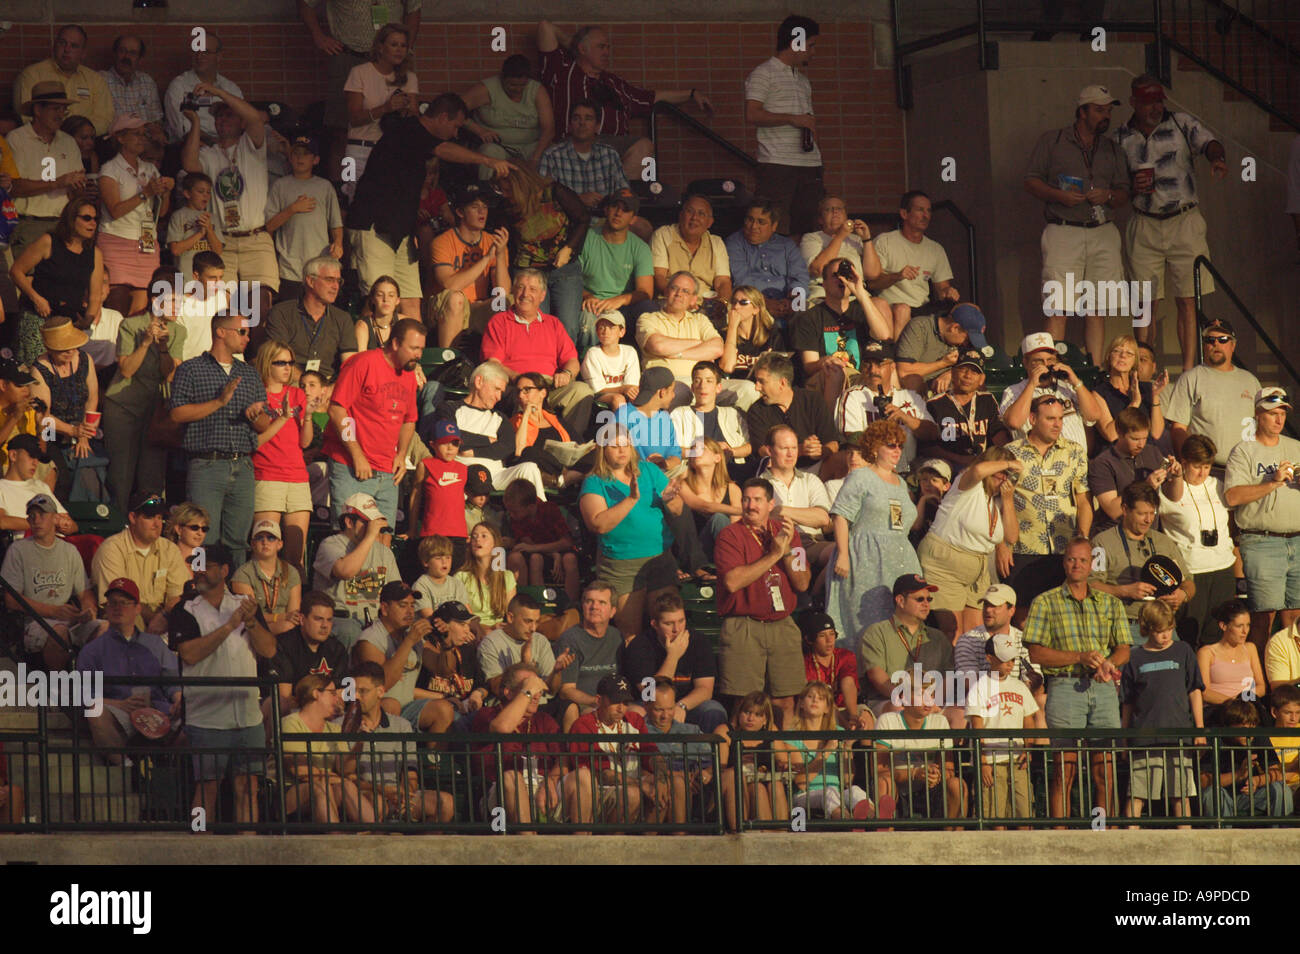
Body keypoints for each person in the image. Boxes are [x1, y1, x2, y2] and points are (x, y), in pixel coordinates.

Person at [345, 93, 509, 317]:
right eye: (455, 126)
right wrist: (488, 160)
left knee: (412, 301)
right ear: (442, 117)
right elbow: (443, 150)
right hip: (374, 226)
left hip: (400, 231)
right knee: (379, 300)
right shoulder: (408, 130)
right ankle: (366, 349)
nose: (456, 133)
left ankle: (415, 351)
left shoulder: (417, 137)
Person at [1114, 75, 1228, 370]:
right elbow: (1114, 183)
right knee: (1145, 303)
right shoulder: (1122, 136)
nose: (1155, 107)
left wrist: (1217, 159)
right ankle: (1143, 368)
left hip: (1183, 218)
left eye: (1158, 101)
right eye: (1148, 102)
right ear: (1133, 103)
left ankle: (1189, 369)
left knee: (1188, 299)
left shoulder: (1180, 122)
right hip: (1144, 221)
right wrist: (1131, 186)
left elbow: (1210, 143)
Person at [1023, 537, 1132, 822]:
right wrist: (1079, 657)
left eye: (1083, 560)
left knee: (1104, 769)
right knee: (1064, 769)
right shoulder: (1045, 602)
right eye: (1072, 559)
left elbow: (1123, 648)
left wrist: (1109, 664)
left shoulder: (1110, 603)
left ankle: (1102, 835)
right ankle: (1062, 838)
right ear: (1064, 562)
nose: (1077, 565)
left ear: (1091, 564)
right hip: (1064, 686)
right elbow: (1035, 652)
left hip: (1103, 687)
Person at [1024, 84, 1131, 365]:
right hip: (1063, 228)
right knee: (1058, 305)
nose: (1105, 115)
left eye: (1108, 110)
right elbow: (1031, 180)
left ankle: (1094, 369)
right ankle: (1051, 369)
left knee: (1096, 307)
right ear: (1081, 112)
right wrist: (1058, 196)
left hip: (1103, 230)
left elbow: (1124, 193)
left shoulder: (1112, 149)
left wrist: (1107, 195)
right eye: (1098, 110)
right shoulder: (1053, 141)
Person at [171, 543, 277, 828]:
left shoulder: (245, 604)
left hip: (247, 714)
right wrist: (230, 626)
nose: (199, 570)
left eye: (205, 564)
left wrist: (252, 622)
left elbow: (268, 651)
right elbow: (190, 653)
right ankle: (199, 852)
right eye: (196, 564)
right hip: (206, 717)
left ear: (224, 570)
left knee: (248, 788)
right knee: (207, 788)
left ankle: (248, 853)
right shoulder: (185, 609)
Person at [538, 21, 710, 181]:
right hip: (576, 142)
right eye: (601, 47)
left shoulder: (615, 83)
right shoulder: (563, 70)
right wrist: (573, 45)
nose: (606, 52)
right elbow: (545, 27)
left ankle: (617, 202)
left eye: (608, 47)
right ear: (583, 49)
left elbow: (653, 97)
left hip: (613, 147)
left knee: (644, 146)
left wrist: (691, 93)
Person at [169, 311, 268, 566]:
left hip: (243, 464)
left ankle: (234, 592)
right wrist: (219, 402)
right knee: (202, 537)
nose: (248, 338)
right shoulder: (191, 369)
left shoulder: (250, 373)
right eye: (242, 332)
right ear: (221, 332)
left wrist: (254, 416)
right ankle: (198, 593)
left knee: (238, 541)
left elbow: (264, 424)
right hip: (207, 464)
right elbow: (177, 413)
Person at [713, 477, 810, 723]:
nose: (750, 505)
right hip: (743, 624)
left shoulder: (790, 534)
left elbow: (802, 582)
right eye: (746, 499)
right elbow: (733, 582)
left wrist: (786, 550)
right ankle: (740, 757)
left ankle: (785, 758)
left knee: (786, 700)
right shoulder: (729, 536)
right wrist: (774, 554)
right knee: (745, 702)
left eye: (757, 500)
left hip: (782, 623)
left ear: (770, 504)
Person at [179, 85, 279, 316]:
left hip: (256, 238)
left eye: (228, 114)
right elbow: (189, 164)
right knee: (223, 310)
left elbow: (254, 117)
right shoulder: (210, 154)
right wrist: (195, 122)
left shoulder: (250, 145)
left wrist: (216, 91)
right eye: (218, 116)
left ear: (240, 121)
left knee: (260, 307)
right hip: (221, 241)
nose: (222, 120)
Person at [826, 420, 922, 651]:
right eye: (891, 445)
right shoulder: (861, 477)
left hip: (899, 562)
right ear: (875, 447)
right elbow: (840, 516)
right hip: (866, 560)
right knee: (865, 626)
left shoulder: (900, 482)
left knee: (899, 628)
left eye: (900, 446)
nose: (897, 451)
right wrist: (842, 555)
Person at [579, 425, 682, 636]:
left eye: (626, 444)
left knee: (668, 629)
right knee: (630, 633)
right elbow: (598, 524)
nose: (622, 450)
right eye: (615, 446)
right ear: (603, 450)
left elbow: (678, 510)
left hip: (660, 560)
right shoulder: (595, 481)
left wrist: (671, 501)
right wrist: (631, 499)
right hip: (622, 566)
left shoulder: (650, 471)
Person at [321, 317, 423, 528]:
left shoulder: (409, 374)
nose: (418, 354)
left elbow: (409, 420)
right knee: (347, 539)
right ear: (395, 343)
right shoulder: (363, 363)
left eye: (421, 349)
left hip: (388, 472)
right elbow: (338, 409)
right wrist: (356, 454)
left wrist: (401, 455)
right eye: (413, 348)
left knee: (383, 541)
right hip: (351, 467)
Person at [1225, 387, 1300, 651]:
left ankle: (1289, 681)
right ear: (1258, 414)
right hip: (1262, 542)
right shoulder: (1244, 451)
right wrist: (1273, 482)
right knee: (1264, 617)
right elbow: (1232, 497)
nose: (1279, 420)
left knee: (1295, 617)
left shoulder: (1296, 447)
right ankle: (1261, 685)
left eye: (1282, 413)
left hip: (1297, 541)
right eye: (1272, 414)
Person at [481, 268, 596, 440]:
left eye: (532, 289)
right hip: (515, 384)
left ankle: (569, 444)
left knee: (582, 391)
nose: (525, 294)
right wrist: (521, 379)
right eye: (520, 287)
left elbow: (572, 360)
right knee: (525, 393)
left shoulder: (553, 323)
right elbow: (493, 364)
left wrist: (566, 373)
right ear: (513, 291)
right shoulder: (500, 322)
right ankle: (524, 446)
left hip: (549, 384)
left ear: (542, 296)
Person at [75, 577, 179, 765]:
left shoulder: (155, 644)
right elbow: (84, 695)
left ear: (137, 608)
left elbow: (172, 681)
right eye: (113, 603)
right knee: (94, 711)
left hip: (157, 709)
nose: (118, 607)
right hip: (118, 712)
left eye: (124, 603)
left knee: (194, 718)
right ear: (106, 609)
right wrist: (120, 704)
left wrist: (178, 700)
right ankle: (127, 768)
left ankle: (175, 772)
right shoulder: (93, 650)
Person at [1004, 395, 1093, 614]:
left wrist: (1083, 537)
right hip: (1023, 548)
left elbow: (1083, 500)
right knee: (1023, 616)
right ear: (1032, 419)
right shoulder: (1010, 453)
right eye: (1050, 418)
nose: (1057, 424)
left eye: (1060, 419)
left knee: (1061, 615)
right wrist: (1001, 545)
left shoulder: (1075, 452)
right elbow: (997, 502)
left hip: (1063, 550)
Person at [918, 447, 1021, 636]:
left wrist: (1008, 500)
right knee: (953, 632)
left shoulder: (995, 499)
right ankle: (949, 666)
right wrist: (1010, 464)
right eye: (1001, 473)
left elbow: (1012, 536)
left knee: (975, 635)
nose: (1004, 478)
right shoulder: (967, 484)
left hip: (978, 569)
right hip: (945, 563)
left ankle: (971, 666)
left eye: (1009, 475)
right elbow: (977, 471)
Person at [101, 277, 183, 514]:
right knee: (121, 474)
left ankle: (151, 525)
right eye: (173, 301)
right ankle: (117, 526)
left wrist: (164, 347)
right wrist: (146, 343)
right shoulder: (130, 325)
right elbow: (126, 370)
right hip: (124, 407)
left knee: (153, 476)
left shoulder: (178, 330)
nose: (178, 307)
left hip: (156, 409)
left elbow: (170, 374)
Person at [1121, 601, 1205, 825]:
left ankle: (1185, 839)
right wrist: (1124, 736)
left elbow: (1194, 691)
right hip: (1144, 737)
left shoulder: (1183, 650)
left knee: (1182, 792)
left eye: (1169, 629)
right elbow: (1127, 702)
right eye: (1159, 631)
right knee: (1137, 793)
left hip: (1178, 735)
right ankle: (1128, 839)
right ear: (1147, 628)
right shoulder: (1134, 656)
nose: (1165, 635)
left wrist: (1199, 730)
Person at [744, 16, 824, 236]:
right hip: (778, 162)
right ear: (796, 41)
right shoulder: (764, 73)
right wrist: (793, 119)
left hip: (809, 162)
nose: (813, 52)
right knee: (774, 224)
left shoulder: (803, 80)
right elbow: (752, 113)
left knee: (809, 226)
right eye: (811, 45)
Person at [495, 160, 590, 347]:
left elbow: (583, 218)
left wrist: (569, 248)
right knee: (537, 324)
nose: (505, 195)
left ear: (521, 186)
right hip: (529, 272)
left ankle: (565, 371)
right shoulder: (505, 206)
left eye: (508, 190)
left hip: (564, 269)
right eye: (502, 190)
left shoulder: (554, 192)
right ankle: (540, 370)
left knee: (567, 326)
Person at [1, 494, 97, 671]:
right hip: (35, 622)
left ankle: (100, 690)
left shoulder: (70, 551)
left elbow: (85, 592)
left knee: (104, 628)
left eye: (42, 515)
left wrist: (88, 611)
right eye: (32, 516)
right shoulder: (18, 550)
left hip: (68, 617)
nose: (36, 520)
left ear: (55, 518)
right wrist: (54, 611)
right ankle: (57, 690)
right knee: (59, 632)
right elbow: (11, 600)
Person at [1160, 435, 1241, 646]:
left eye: (1207, 466)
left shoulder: (1218, 485)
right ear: (1184, 462)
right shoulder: (1171, 489)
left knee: (1217, 633)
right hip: (1192, 570)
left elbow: (1230, 524)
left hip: (1222, 568)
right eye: (1197, 466)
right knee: (1190, 634)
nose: (1202, 472)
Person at [9, 196, 103, 367]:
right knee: (37, 371)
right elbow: (16, 271)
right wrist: (36, 298)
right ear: (71, 218)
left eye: (95, 219)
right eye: (87, 218)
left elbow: (95, 296)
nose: (93, 223)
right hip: (39, 319)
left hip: (68, 325)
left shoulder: (94, 253)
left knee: (63, 375)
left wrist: (87, 320)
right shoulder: (49, 242)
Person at [96, 114, 172, 318]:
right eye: (136, 134)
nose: (142, 139)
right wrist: (145, 193)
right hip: (116, 240)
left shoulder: (150, 168)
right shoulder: (110, 169)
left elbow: (161, 213)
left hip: (146, 242)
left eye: (143, 134)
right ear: (121, 138)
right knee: (116, 302)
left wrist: (166, 192)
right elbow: (115, 210)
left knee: (142, 306)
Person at [472, 662, 567, 826]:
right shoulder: (488, 715)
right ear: (508, 693)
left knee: (579, 778)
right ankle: (527, 840)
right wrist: (527, 691)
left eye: (537, 689)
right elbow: (502, 727)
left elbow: (564, 760)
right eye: (528, 688)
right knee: (512, 777)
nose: (536, 695)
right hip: (500, 796)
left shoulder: (544, 720)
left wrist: (550, 781)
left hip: (543, 789)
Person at [247, 339, 314, 570]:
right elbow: (254, 443)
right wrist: (283, 418)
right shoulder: (255, 395)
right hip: (267, 476)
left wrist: (307, 417)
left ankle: (295, 602)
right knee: (265, 553)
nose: (288, 367)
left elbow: (305, 442)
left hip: (297, 478)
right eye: (281, 362)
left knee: (296, 557)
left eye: (290, 362)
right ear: (267, 364)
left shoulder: (297, 394)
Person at [441, 359, 548, 500]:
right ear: (479, 382)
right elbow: (452, 438)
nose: (499, 397)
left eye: (501, 392)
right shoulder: (450, 409)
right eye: (496, 389)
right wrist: (487, 440)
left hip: (497, 475)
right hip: (463, 473)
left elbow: (507, 447)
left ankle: (543, 514)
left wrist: (473, 451)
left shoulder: (500, 418)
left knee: (529, 468)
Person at [622, 591, 727, 733]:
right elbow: (649, 694)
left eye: (681, 621)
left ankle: (705, 754)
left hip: (686, 703)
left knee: (713, 710)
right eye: (669, 623)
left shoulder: (699, 641)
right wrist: (673, 656)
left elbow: (705, 690)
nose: (676, 629)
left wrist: (681, 706)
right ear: (655, 624)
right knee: (635, 712)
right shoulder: (640, 645)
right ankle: (653, 753)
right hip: (652, 707)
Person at [794, 258, 891, 408]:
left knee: (890, 369)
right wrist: (825, 361)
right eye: (835, 275)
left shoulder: (861, 311)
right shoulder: (811, 317)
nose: (841, 280)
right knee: (836, 371)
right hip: (825, 377)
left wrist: (859, 291)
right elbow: (809, 366)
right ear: (824, 284)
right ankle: (831, 428)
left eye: (845, 275)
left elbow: (883, 335)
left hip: (860, 376)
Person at [1164, 317, 1261, 468]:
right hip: (1208, 469)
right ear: (1204, 345)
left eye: (1223, 339)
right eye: (1210, 340)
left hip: (1246, 467)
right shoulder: (1190, 378)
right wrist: (1191, 463)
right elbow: (1178, 428)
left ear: (1233, 345)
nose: (1216, 344)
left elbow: (1264, 425)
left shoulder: (1251, 381)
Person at [965, 632, 1040, 827]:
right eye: (1005, 658)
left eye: (1012, 659)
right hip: (992, 761)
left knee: (1024, 812)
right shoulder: (979, 687)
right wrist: (982, 762)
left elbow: (1029, 720)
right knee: (994, 816)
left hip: (1017, 760)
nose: (1010, 663)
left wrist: (1028, 748)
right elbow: (977, 727)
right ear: (989, 658)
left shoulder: (1019, 686)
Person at [868, 191, 963, 339]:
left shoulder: (935, 249)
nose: (926, 215)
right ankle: (901, 358)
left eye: (929, 211)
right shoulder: (884, 241)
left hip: (922, 310)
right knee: (902, 309)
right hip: (890, 308)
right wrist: (898, 276)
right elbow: (872, 284)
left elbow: (942, 289)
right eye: (920, 210)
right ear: (904, 214)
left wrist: (949, 292)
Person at [6, 82, 86, 258]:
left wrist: (79, 187)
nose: (60, 114)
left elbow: (77, 192)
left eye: (63, 109)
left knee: (60, 282)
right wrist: (58, 182)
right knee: (28, 280)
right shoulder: (17, 139)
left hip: (62, 225)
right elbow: (14, 186)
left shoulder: (68, 142)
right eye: (55, 108)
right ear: (37, 110)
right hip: (29, 225)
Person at [311, 492, 400, 648]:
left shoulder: (384, 552)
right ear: (349, 522)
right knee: (351, 631)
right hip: (339, 621)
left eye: (375, 523)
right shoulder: (330, 545)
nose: (373, 529)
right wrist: (370, 537)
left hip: (373, 622)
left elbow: (396, 594)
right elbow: (346, 571)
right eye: (367, 522)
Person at [566, 674, 658, 826]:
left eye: (626, 702)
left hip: (632, 783)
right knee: (632, 794)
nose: (621, 708)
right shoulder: (583, 725)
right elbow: (603, 775)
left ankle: (655, 844)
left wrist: (662, 777)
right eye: (615, 702)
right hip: (601, 791)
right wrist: (640, 784)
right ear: (599, 700)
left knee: (671, 786)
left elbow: (652, 755)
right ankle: (612, 844)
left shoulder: (635, 720)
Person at [91, 490, 190, 631]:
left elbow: (177, 598)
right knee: (128, 615)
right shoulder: (112, 549)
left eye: (159, 517)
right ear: (132, 517)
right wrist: (157, 620)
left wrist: (163, 618)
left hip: (164, 621)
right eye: (149, 517)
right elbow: (119, 602)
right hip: (124, 622)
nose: (157, 524)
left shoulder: (169, 549)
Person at [340, 23, 419, 199]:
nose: (399, 50)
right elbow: (354, 118)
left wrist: (405, 110)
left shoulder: (410, 77)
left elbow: (415, 118)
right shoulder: (359, 72)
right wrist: (386, 108)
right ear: (380, 47)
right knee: (356, 201)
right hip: (359, 149)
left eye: (403, 45)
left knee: (388, 203)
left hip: (393, 149)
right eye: (394, 44)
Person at [834, 340, 936, 475]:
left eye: (879, 364)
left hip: (910, 468)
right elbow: (854, 440)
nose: (873, 370)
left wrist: (905, 417)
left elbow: (933, 434)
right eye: (867, 364)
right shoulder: (852, 396)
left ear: (892, 366)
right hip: (871, 469)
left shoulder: (910, 397)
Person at [428, 184, 512, 349]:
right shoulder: (442, 242)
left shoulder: (492, 241)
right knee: (456, 298)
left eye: (485, 207)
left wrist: (500, 254)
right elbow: (450, 286)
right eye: (475, 207)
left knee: (506, 302)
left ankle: (498, 361)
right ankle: (448, 364)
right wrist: (487, 257)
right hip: (443, 308)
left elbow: (502, 291)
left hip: (477, 307)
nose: (482, 212)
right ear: (460, 212)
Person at [952, 584, 1046, 729]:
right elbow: (968, 683)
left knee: (1041, 701)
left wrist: (1023, 689)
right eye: (986, 605)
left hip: (1017, 700)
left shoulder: (1023, 640)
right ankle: (978, 749)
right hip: (982, 702)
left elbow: (1034, 681)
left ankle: (1036, 751)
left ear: (1011, 610)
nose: (988, 610)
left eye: (995, 606)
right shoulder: (968, 639)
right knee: (960, 709)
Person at [775, 681, 871, 820]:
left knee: (856, 792)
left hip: (837, 794)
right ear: (801, 703)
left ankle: (877, 822)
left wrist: (847, 747)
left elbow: (847, 780)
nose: (815, 700)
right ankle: (850, 825)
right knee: (829, 793)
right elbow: (801, 783)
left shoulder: (838, 733)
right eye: (810, 696)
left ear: (827, 708)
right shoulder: (792, 737)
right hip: (804, 796)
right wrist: (825, 752)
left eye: (821, 698)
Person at [353, 582, 442, 731]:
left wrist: (445, 644)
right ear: (385, 609)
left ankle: (433, 755)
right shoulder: (370, 639)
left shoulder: (412, 635)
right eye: (403, 605)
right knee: (390, 705)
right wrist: (409, 642)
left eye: (412, 605)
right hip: (374, 709)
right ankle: (386, 754)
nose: (410, 612)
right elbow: (382, 684)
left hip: (408, 706)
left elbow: (440, 668)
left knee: (443, 710)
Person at [873, 676, 965, 821]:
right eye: (921, 695)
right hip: (898, 789)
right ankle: (885, 835)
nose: (928, 700)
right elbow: (879, 771)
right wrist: (914, 773)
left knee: (956, 784)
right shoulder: (887, 720)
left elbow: (949, 769)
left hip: (931, 790)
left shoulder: (940, 722)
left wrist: (936, 775)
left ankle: (953, 839)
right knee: (884, 782)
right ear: (903, 697)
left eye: (931, 695)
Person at [264, 137, 343, 303]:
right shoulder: (280, 185)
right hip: (289, 267)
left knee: (317, 312)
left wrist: (338, 243)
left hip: (319, 266)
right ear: (290, 158)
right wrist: (292, 209)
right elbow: (269, 226)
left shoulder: (325, 186)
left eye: (306, 154)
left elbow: (336, 224)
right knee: (290, 313)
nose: (300, 158)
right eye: (296, 154)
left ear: (315, 160)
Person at [1000, 333, 1108, 453]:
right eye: (1039, 361)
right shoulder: (1013, 391)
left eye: (1050, 360)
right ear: (1026, 362)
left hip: (1074, 464)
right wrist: (1031, 385)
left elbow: (1094, 416)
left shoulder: (1068, 387)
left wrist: (1075, 380)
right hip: (1036, 465)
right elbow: (1014, 423)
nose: (1046, 365)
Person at [635, 271, 726, 409]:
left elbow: (717, 348)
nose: (679, 293)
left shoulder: (700, 320)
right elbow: (658, 346)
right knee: (682, 392)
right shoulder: (648, 318)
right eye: (674, 288)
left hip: (704, 382)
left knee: (746, 390)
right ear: (666, 291)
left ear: (693, 299)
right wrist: (698, 343)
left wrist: (679, 354)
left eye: (685, 291)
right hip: (668, 383)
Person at [27, 318, 98, 492]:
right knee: (62, 479)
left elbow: (92, 398)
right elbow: (43, 417)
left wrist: (83, 435)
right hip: (51, 434)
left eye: (73, 347)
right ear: (50, 349)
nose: (70, 352)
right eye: (63, 350)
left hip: (82, 431)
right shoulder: (39, 370)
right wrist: (72, 431)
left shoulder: (84, 359)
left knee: (90, 470)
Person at [578, 188, 653, 348]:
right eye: (615, 206)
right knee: (587, 320)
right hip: (593, 304)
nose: (619, 213)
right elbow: (571, 280)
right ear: (606, 209)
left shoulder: (640, 248)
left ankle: (644, 364)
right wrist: (587, 296)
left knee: (649, 310)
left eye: (626, 210)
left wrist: (620, 300)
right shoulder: (586, 238)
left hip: (624, 306)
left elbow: (646, 292)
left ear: (633, 219)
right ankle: (588, 367)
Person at [263, 256, 356, 381]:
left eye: (338, 281)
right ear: (310, 281)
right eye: (329, 280)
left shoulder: (343, 318)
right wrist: (310, 385)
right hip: (291, 382)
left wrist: (330, 389)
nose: (335, 286)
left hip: (328, 386)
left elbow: (350, 366)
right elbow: (276, 359)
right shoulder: (282, 313)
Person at [1198, 697, 1294, 819]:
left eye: (1252, 725)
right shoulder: (1215, 738)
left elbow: (1276, 773)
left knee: (1281, 788)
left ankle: (1282, 835)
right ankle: (1223, 838)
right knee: (1211, 793)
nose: (1248, 733)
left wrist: (1256, 781)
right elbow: (1203, 781)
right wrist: (1238, 775)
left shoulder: (1257, 735)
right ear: (1229, 726)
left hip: (1251, 796)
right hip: (1224, 795)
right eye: (1243, 727)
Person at [746, 352, 841, 469]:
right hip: (777, 472)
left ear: (782, 383)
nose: (757, 387)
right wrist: (801, 449)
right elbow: (763, 451)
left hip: (816, 468)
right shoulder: (757, 411)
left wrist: (819, 451)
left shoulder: (812, 400)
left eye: (762, 382)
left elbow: (833, 443)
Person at [13, 25, 113, 135]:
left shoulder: (96, 80)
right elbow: (25, 116)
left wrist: (81, 133)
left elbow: (104, 119)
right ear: (54, 45)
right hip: (42, 141)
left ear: (83, 53)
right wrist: (61, 136)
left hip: (85, 143)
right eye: (62, 43)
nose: (67, 49)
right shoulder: (31, 74)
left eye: (74, 46)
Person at [462, 54, 555, 173]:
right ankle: (488, 190)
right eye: (512, 85)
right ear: (503, 78)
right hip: (498, 146)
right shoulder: (487, 88)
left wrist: (535, 158)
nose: (517, 89)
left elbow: (549, 129)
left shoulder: (537, 90)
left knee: (551, 152)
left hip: (530, 146)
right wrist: (479, 130)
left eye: (522, 85)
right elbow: (455, 110)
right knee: (490, 153)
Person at [920, 348, 1008, 470]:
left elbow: (998, 433)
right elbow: (928, 447)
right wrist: (961, 459)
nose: (968, 376)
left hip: (982, 464)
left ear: (981, 379)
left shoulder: (987, 400)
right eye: (963, 369)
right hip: (949, 464)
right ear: (953, 373)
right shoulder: (935, 404)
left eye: (974, 372)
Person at [264, 590, 349, 716]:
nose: (325, 625)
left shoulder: (337, 649)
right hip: (293, 715)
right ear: (302, 620)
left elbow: (342, 697)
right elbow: (285, 699)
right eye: (318, 619)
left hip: (329, 713)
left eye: (329, 620)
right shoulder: (284, 645)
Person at [537, 101, 630, 215]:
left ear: (597, 126)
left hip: (606, 221)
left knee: (643, 227)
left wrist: (609, 203)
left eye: (588, 118)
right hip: (569, 223)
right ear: (570, 125)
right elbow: (541, 200)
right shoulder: (552, 156)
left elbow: (625, 194)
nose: (582, 123)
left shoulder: (610, 154)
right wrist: (578, 199)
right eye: (576, 118)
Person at [1088, 408, 1168, 537]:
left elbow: (1174, 496)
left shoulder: (1152, 452)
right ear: (1119, 433)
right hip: (1115, 537)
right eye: (1135, 439)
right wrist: (1146, 486)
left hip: (1148, 534)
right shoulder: (1103, 463)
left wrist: (1177, 476)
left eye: (1145, 438)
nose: (1141, 444)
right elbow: (1112, 510)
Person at [724, 199, 809, 320]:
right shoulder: (734, 243)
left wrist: (793, 300)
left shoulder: (786, 245)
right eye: (750, 220)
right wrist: (764, 303)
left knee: (805, 320)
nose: (754, 226)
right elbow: (741, 280)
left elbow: (801, 277)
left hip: (788, 302)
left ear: (774, 226)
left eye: (761, 222)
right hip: (752, 304)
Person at [555, 582, 623, 731]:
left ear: (612, 611)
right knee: (594, 717)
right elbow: (566, 690)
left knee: (638, 712)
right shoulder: (570, 639)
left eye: (602, 602)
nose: (594, 607)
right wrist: (598, 702)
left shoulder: (617, 637)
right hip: (584, 706)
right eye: (589, 601)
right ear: (583, 607)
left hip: (614, 704)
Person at [478, 593, 572, 700]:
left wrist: (556, 672)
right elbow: (495, 688)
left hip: (540, 705)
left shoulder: (540, 640)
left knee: (569, 707)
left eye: (537, 622)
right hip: (509, 707)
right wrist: (523, 664)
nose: (533, 628)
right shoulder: (491, 643)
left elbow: (552, 690)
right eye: (528, 621)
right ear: (510, 617)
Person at [717, 692, 787, 830]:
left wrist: (781, 765)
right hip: (733, 786)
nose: (750, 718)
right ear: (739, 713)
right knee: (757, 788)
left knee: (776, 785)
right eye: (747, 712)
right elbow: (721, 769)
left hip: (762, 781)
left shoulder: (771, 730)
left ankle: (781, 833)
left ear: (765, 719)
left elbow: (784, 761)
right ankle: (757, 834)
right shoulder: (725, 731)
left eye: (757, 715)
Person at [502, 480, 580, 603]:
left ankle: (570, 604)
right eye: (509, 511)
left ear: (531, 507)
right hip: (541, 554)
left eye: (514, 511)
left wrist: (557, 555)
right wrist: (554, 555)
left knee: (570, 559)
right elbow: (528, 544)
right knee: (535, 558)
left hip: (561, 551)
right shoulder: (517, 519)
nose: (511, 515)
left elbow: (566, 542)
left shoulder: (550, 509)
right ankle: (539, 602)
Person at [650, 194, 732, 310]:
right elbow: (658, 277)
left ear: (709, 222)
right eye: (690, 211)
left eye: (701, 214)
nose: (694, 218)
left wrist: (721, 305)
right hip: (671, 302)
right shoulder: (663, 235)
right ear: (681, 215)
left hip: (705, 306)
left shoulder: (716, 243)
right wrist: (683, 301)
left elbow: (723, 282)